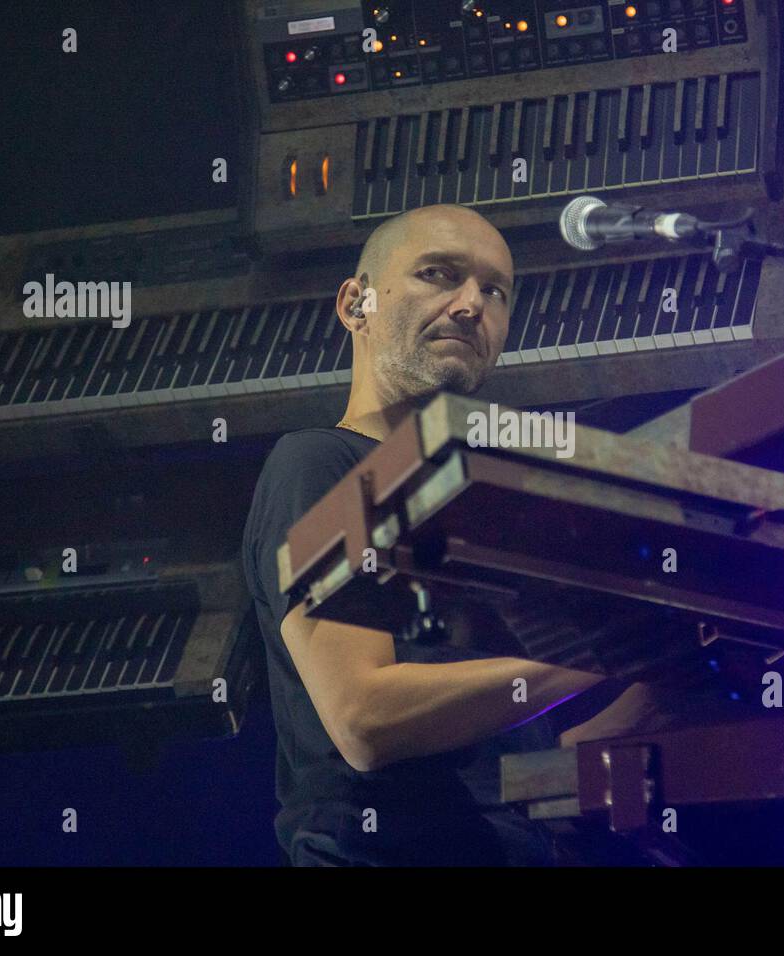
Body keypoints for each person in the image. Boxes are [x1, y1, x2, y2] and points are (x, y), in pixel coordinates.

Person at [242, 203, 661, 866]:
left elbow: (517, 756)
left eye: (495, 290)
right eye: (439, 274)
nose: (471, 304)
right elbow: (364, 721)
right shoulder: (320, 463)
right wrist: (601, 652)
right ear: (357, 303)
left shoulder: (488, 512)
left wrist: (661, 684)